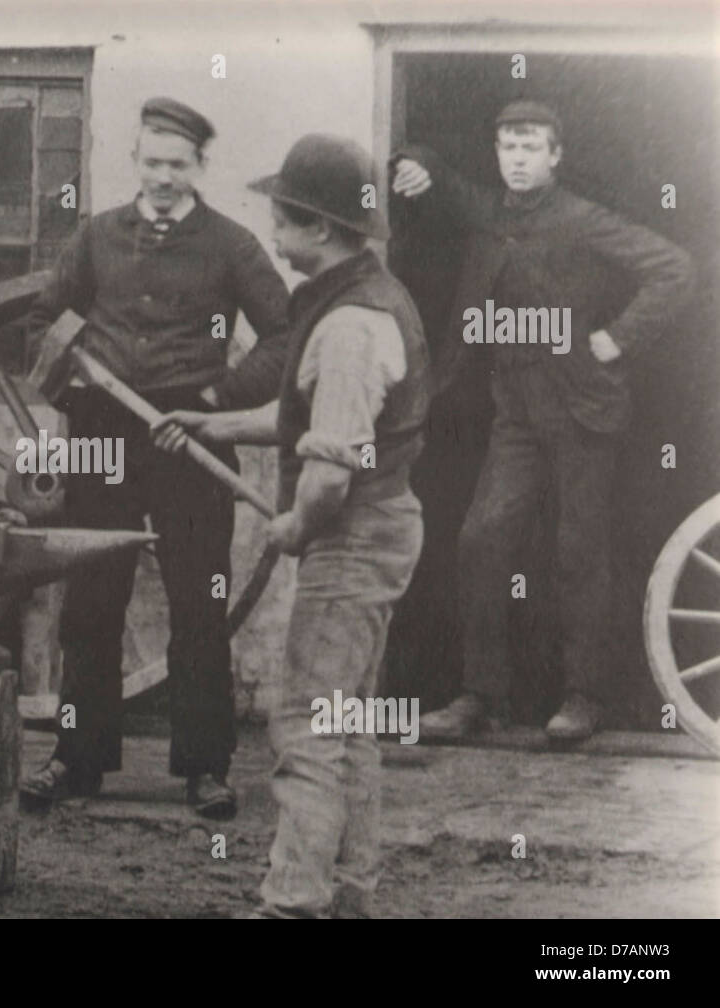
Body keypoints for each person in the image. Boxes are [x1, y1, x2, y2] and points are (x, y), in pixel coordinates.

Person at [153, 133, 429, 918]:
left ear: (318, 226)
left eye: (282, 219)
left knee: (308, 729)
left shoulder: (347, 329)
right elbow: (305, 417)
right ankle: (349, 895)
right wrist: (212, 428)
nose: (272, 235)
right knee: (349, 729)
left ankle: (292, 905)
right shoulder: (363, 297)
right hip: (381, 529)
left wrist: (294, 532)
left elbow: (332, 469)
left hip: (350, 537)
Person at [19, 97, 294, 819]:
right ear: (134, 163)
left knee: (199, 604)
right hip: (102, 431)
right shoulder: (96, 238)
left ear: (200, 168)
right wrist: (66, 361)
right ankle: (75, 760)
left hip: (189, 439)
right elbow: (43, 324)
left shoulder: (232, 246)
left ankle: (205, 768)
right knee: (89, 603)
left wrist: (215, 397)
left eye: (179, 164)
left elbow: (284, 341)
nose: (165, 177)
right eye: (153, 163)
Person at [392, 100, 695, 741]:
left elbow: (673, 267)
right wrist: (415, 163)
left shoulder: (583, 219)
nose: (518, 160)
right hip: (517, 410)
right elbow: (441, 177)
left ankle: (585, 699)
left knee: (578, 554)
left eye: (531, 148)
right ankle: (479, 696)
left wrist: (617, 338)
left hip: (584, 407)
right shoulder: (489, 211)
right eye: (508, 148)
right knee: (480, 539)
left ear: (555, 156)